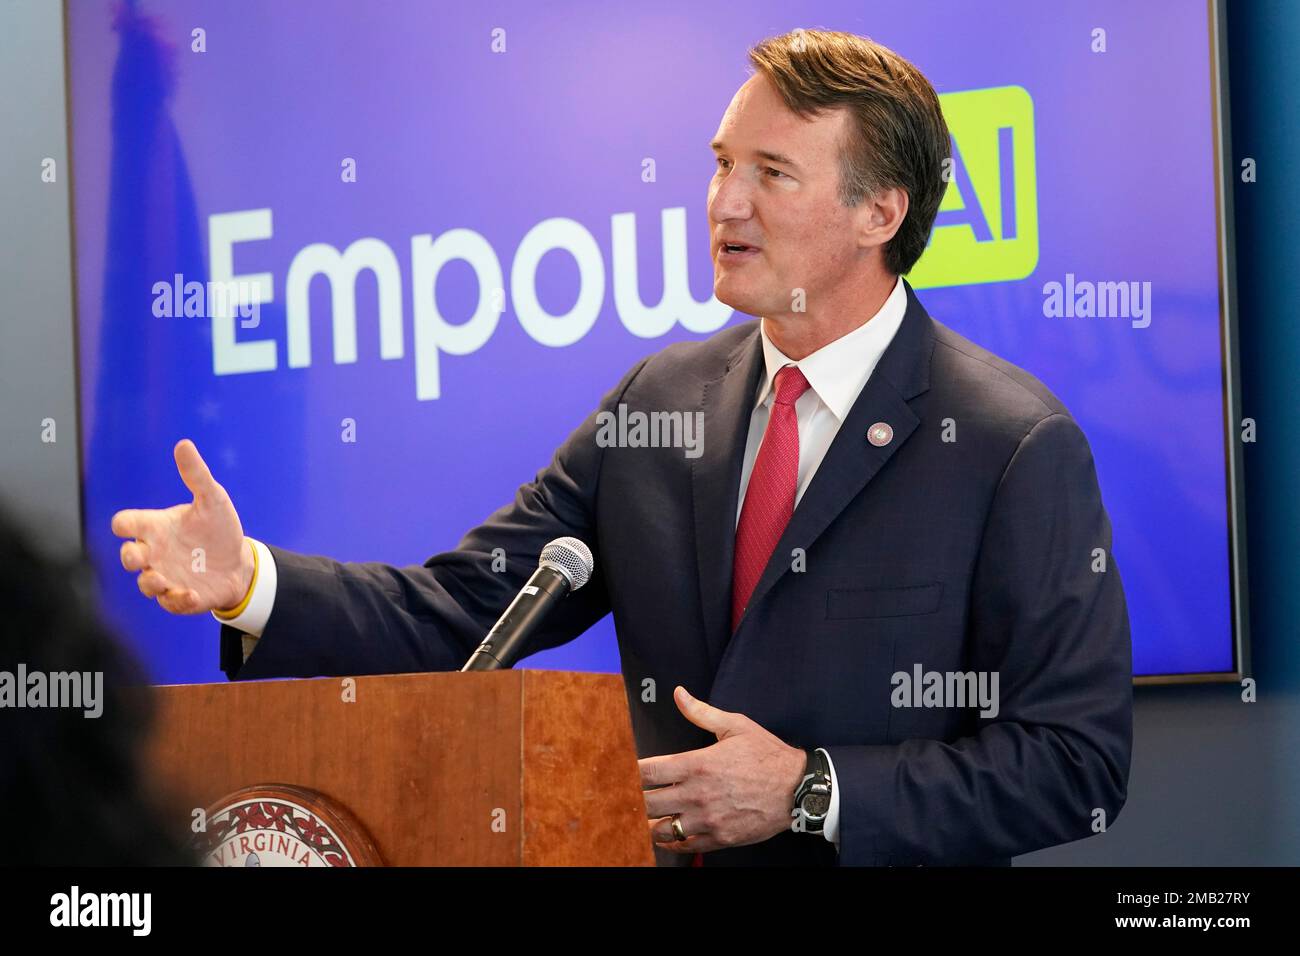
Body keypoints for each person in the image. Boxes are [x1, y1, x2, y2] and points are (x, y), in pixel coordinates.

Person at [112, 29, 1132, 866]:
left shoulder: (1007, 442)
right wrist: (247, 581)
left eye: (770, 173)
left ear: (880, 211)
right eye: (722, 164)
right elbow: (466, 611)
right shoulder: (662, 400)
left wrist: (811, 790)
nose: (724, 203)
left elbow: (1074, 761)